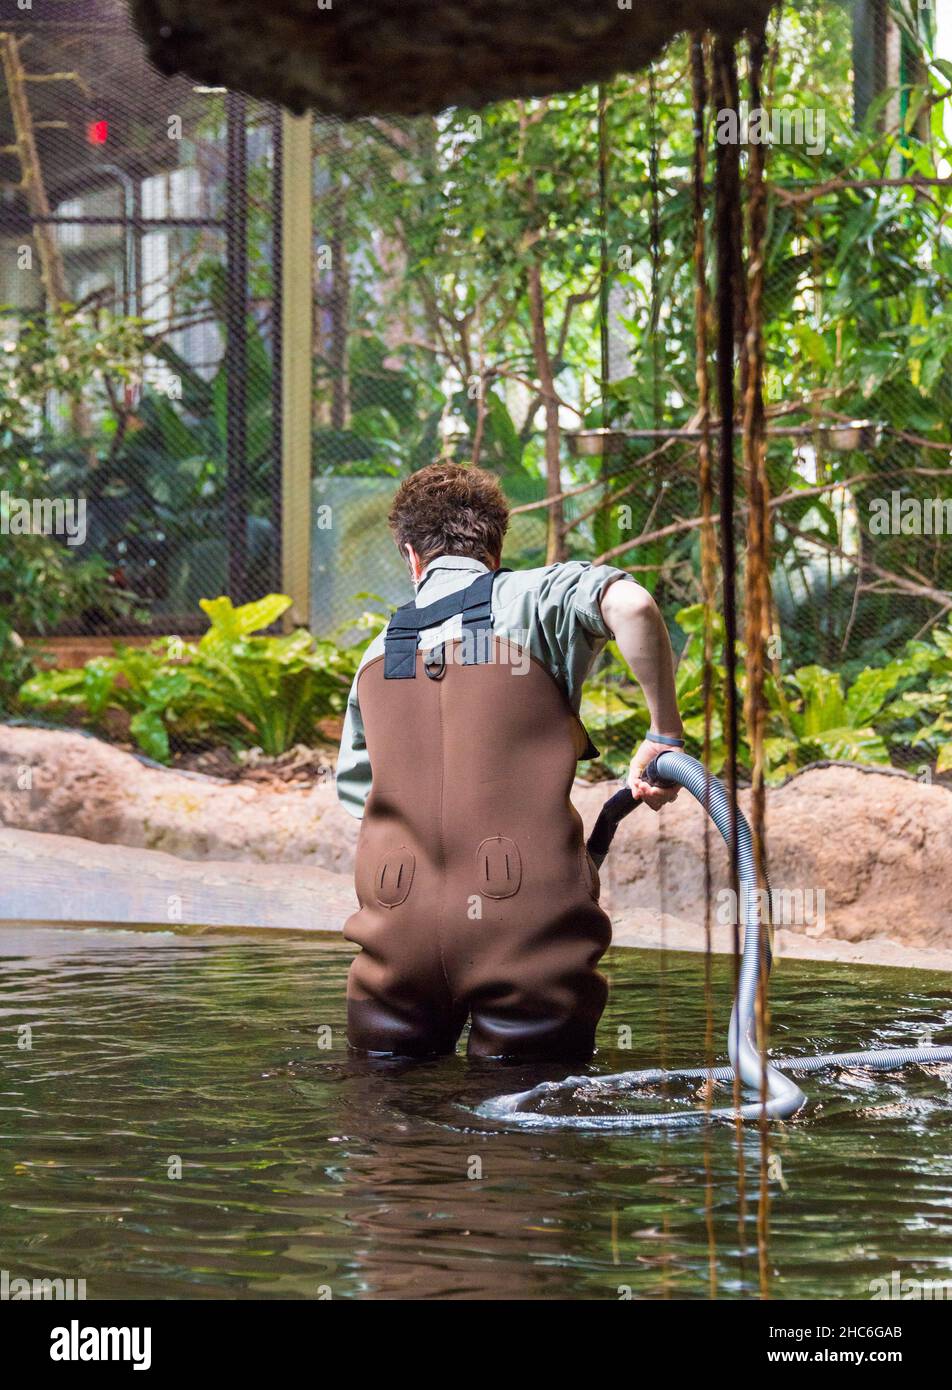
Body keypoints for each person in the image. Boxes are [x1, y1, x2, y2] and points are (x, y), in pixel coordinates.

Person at [336, 462, 683, 1062]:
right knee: (526, 1124)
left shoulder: (376, 654)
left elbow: (357, 796)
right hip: (525, 930)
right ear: (494, 547)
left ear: (411, 556)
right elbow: (632, 604)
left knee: (385, 1117)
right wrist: (664, 734)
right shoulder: (537, 597)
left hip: (395, 935)